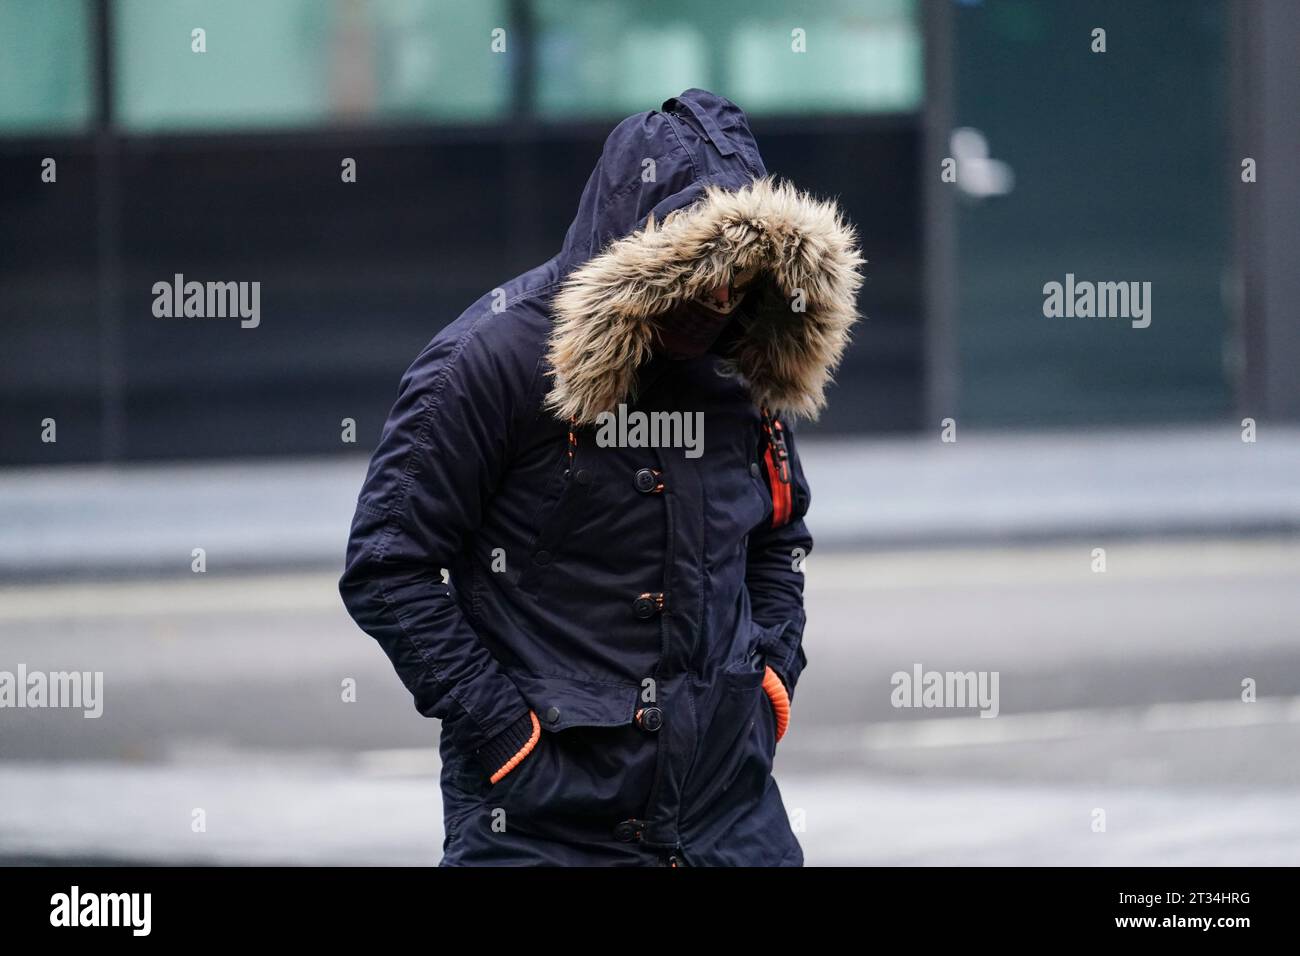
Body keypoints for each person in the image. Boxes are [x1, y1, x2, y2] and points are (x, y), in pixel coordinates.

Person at [339, 88, 863, 866]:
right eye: (700, 270)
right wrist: (508, 742)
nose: (722, 297)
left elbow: (780, 534)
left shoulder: (747, 359)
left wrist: (770, 689)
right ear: (640, 255)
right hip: (544, 828)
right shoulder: (492, 361)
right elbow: (389, 564)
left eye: (742, 273)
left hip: (731, 818)